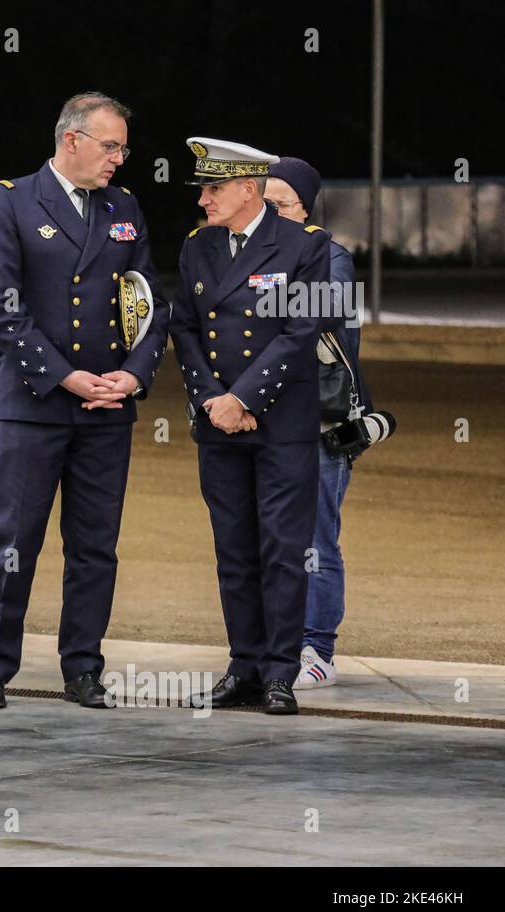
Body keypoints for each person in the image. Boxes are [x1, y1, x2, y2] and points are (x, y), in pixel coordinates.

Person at [0, 92, 169, 711]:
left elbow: (151, 304)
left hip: (107, 408)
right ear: (71, 141)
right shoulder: (8, 200)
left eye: (123, 148)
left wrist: (133, 376)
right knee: (13, 541)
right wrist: (64, 376)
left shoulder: (125, 206)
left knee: (94, 546)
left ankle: (83, 665)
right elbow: (1, 304)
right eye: (110, 146)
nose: (119, 158)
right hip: (33, 403)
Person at [169, 138, 329, 716]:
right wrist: (214, 400)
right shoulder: (197, 247)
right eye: (204, 188)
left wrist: (245, 397)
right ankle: (245, 664)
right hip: (220, 423)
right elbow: (183, 328)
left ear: (248, 190)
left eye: (214, 188)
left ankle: (281, 672)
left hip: (280, 421)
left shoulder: (305, 245)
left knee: (282, 549)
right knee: (233, 549)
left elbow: (300, 332)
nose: (204, 199)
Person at [266, 157, 374, 689]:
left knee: (316, 538)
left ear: (305, 208)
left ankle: (318, 650)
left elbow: (322, 311)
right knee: (268, 535)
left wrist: (256, 287)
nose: (269, 213)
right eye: (261, 202)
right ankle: (275, 642)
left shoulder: (331, 256)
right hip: (266, 417)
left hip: (321, 421)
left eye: (280, 204)